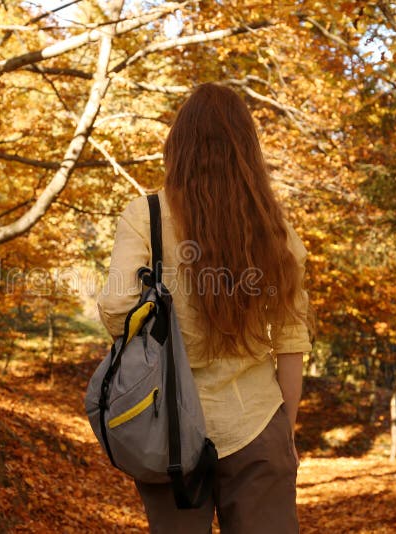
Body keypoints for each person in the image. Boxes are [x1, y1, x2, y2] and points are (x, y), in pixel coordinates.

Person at [96, 83, 312, 533]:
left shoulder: (147, 215)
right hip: (258, 424)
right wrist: (284, 430)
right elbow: (291, 340)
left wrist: (164, 318)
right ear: (247, 151)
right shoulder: (276, 230)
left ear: (179, 144)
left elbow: (117, 308)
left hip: (166, 426)